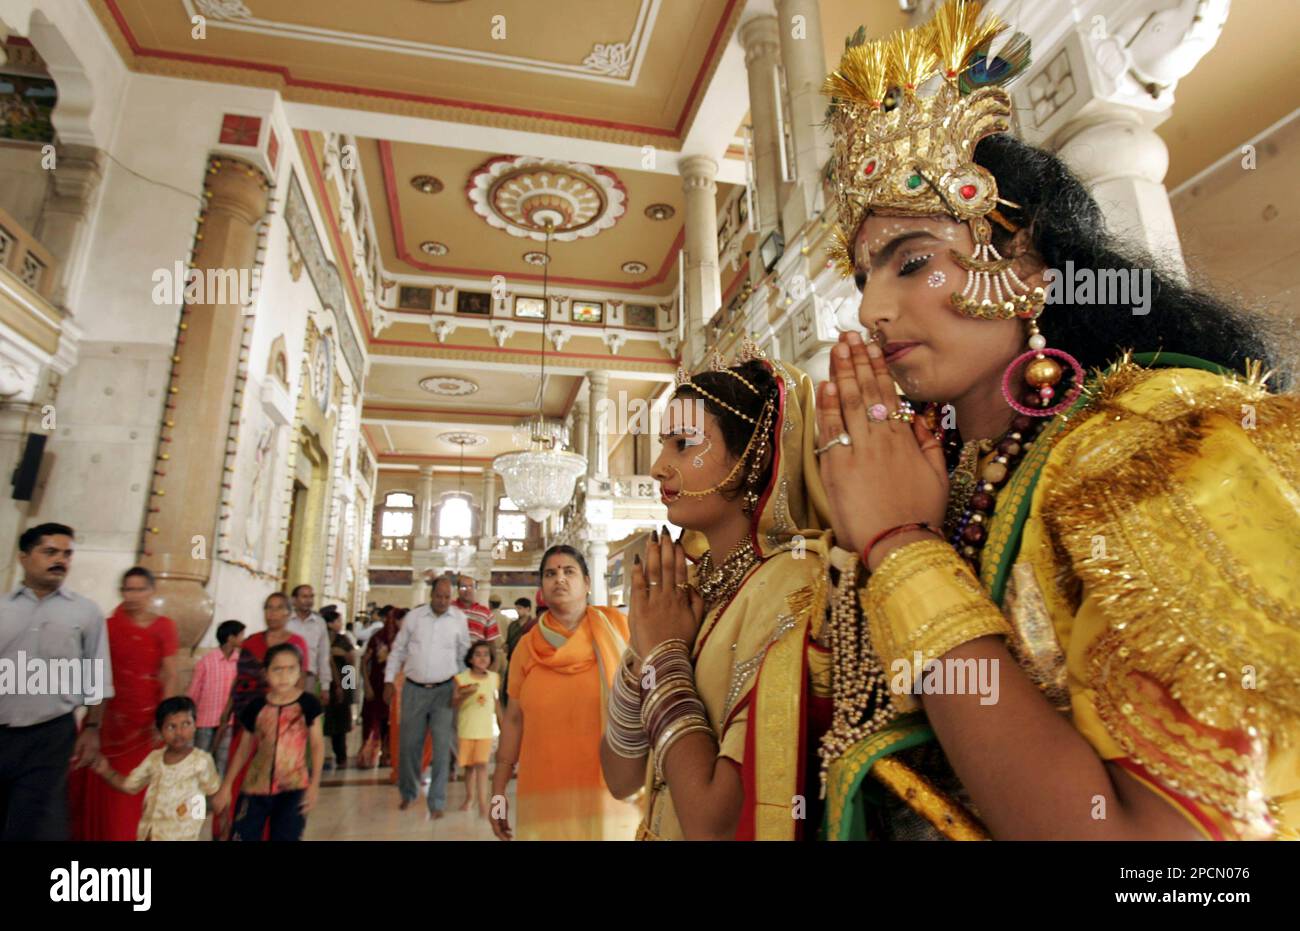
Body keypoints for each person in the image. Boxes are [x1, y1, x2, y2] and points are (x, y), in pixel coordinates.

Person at [812, 0, 1300, 840]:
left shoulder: (1160, 447)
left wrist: (902, 545)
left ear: (1028, 261)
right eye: (861, 278)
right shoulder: (959, 474)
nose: (871, 310)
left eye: (912, 261)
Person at [599, 349, 841, 841]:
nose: (658, 468)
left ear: (752, 456)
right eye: (663, 445)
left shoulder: (794, 583)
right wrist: (646, 647)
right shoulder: (689, 590)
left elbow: (717, 822)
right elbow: (620, 778)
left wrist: (665, 655)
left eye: (684, 445)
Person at [493, 545, 633, 841]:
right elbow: (513, 720)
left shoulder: (621, 630)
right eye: (550, 573)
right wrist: (498, 794)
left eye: (569, 571)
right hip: (544, 793)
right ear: (541, 588)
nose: (559, 579)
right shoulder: (527, 647)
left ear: (586, 583)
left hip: (611, 790)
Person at [0, 523, 112, 840]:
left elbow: (98, 674)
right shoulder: (2, 609)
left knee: (37, 823)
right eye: (50, 552)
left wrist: (92, 728)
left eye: (66, 554)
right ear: (24, 557)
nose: (60, 560)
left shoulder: (85, 612)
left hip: (51, 734)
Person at [70, 566, 180, 841]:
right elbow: (98, 673)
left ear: (152, 592)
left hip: (145, 726)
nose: (133, 595)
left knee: (132, 793)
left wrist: (165, 720)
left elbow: (170, 674)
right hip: (107, 719)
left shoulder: (164, 627)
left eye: (140, 589)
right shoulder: (108, 626)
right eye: (128, 589)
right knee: (98, 787)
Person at [211, 592, 309, 840]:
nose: (272, 613)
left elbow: (306, 676)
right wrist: (226, 712)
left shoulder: (301, 642)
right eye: (268, 608)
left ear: (289, 613)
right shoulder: (252, 643)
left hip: (286, 724)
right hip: (249, 719)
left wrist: (342, 687)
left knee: (277, 779)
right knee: (241, 775)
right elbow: (241, 681)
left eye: (278, 608)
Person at [213, 643, 324, 841]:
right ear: (266, 673)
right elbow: (244, 748)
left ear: (300, 672)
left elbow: (317, 745)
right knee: (242, 834)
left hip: (294, 786)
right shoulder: (256, 706)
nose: (284, 676)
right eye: (277, 669)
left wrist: (314, 785)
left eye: (291, 669)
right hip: (255, 786)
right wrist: (226, 785)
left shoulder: (308, 704)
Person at [385, 577, 468, 818]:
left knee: (442, 747)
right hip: (414, 689)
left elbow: (463, 654)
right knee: (410, 744)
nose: (442, 601)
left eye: (446, 597)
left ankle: (438, 801)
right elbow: (398, 650)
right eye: (438, 596)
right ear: (431, 595)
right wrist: (389, 680)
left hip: (444, 690)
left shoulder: (458, 619)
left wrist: (460, 685)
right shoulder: (414, 618)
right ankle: (408, 792)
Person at [92, 696, 220, 841]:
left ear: (195, 725)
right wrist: (105, 770)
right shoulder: (154, 759)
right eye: (171, 726)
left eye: (186, 724)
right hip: (151, 835)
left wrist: (222, 823)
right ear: (160, 730)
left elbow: (215, 795)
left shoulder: (201, 761)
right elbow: (129, 785)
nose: (179, 732)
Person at [190, 620, 244, 775]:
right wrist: (190, 717)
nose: (243, 639)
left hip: (228, 721)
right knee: (200, 761)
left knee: (222, 762)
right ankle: (198, 798)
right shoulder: (207, 661)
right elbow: (194, 691)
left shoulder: (240, 662)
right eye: (240, 635)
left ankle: (216, 797)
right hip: (204, 721)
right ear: (230, 638)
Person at [453, 640, 499, 817]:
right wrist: (464, 694)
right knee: (469, 767)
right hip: (466, 729)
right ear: (470, 659)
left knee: (482, 766)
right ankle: (469, 798)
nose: (482, 658)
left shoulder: (494, 678)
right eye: (478, 655)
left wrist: (503, 727)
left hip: (485, 730)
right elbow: (454, 703)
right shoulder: (462, 678)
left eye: (486, 655)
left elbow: (496, 703)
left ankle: (482, 802)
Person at [359, 606, 401, 769]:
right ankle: (368, 755)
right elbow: (363, 661)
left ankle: (388, 754)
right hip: (376, 685)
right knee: (373, 719)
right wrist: (366, 685)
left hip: (394, 687)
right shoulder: (376, 638)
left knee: (391, 722)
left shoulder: (402, 640)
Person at [323, 607, 356, 770]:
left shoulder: (343, 640)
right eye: (337, 621)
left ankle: (341, 756)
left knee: (340, 722)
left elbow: (351, 663)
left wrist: (348, 690)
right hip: (324, 684)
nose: (340, 623)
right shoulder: (322, 640)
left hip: (342, 683)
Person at [287, 584, 330, 694]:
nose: (309, 600)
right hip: (285, 676)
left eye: (311, 597)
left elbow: (323, 654)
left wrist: (325, 685)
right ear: (294, 600)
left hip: (309, 677)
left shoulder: (319, 623)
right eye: (304, 597)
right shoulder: (285, 621)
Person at [456, 574, 501, 667]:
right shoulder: (450, 609)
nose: (467, 590)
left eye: (470, 587)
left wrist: (494, 666)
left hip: (476, 665)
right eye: (463, 587)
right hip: (452, 663)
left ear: (475, 589)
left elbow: (491, 642)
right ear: (458, 590)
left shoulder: (486, 613)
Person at [500, 598, 535, 707]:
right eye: (516, 608)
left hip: (527, 663)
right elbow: (508, 642)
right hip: (512, 661)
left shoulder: (533, 625)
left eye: (520, 608)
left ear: (527, 609)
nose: (517, 611)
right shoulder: (512, 625)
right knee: (508, 688)